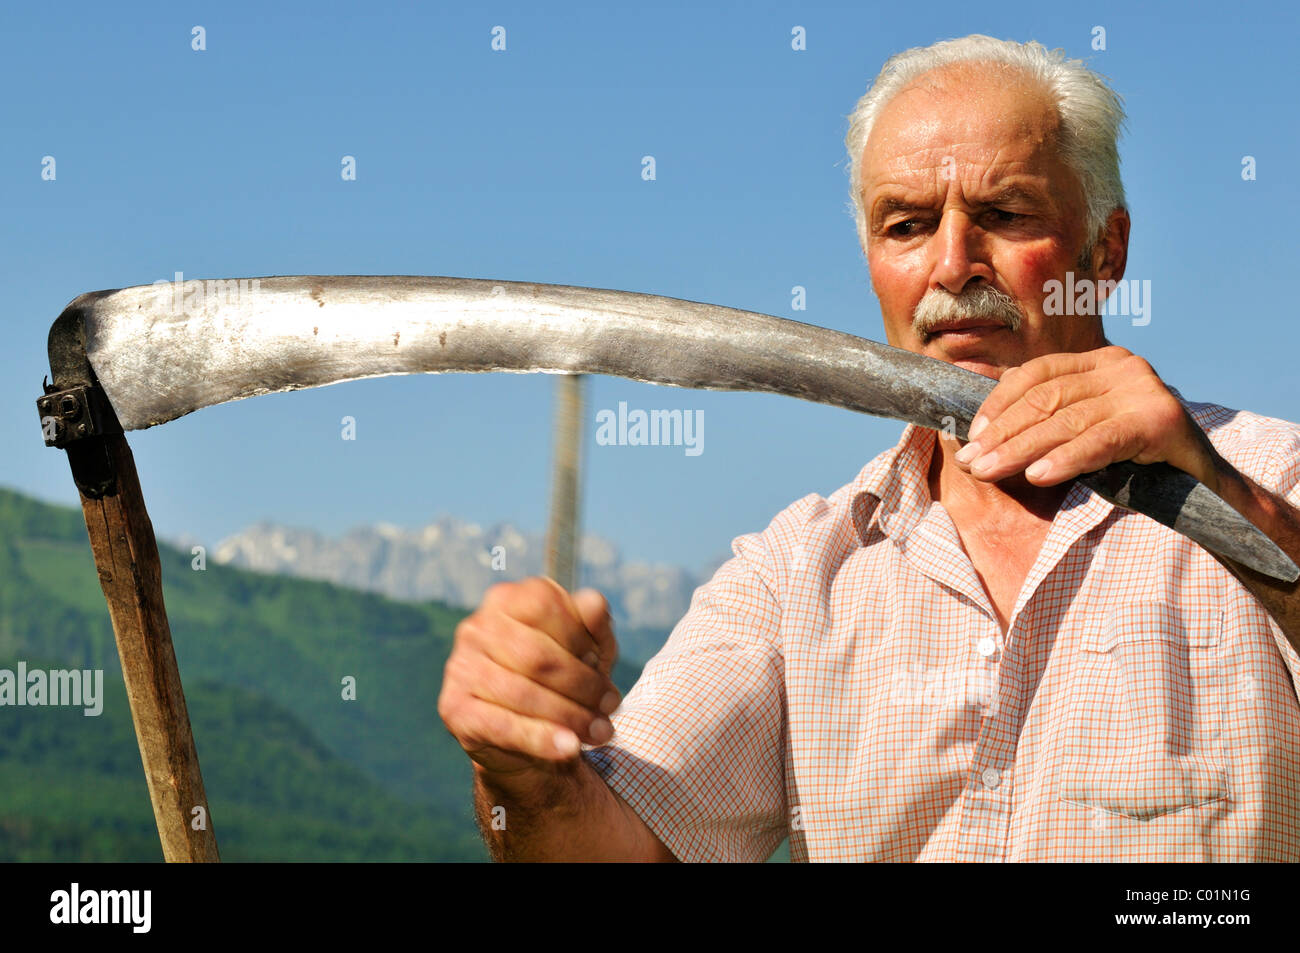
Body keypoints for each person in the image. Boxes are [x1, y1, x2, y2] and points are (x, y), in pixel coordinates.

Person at [437, 35, 1300, 861]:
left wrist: (1223, 498)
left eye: (1003, 214)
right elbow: (620, 852)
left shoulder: (1272, 476)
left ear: (1105, 250)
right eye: (907, 226)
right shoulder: (801, 571)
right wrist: (523, 767)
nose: (952, 265)